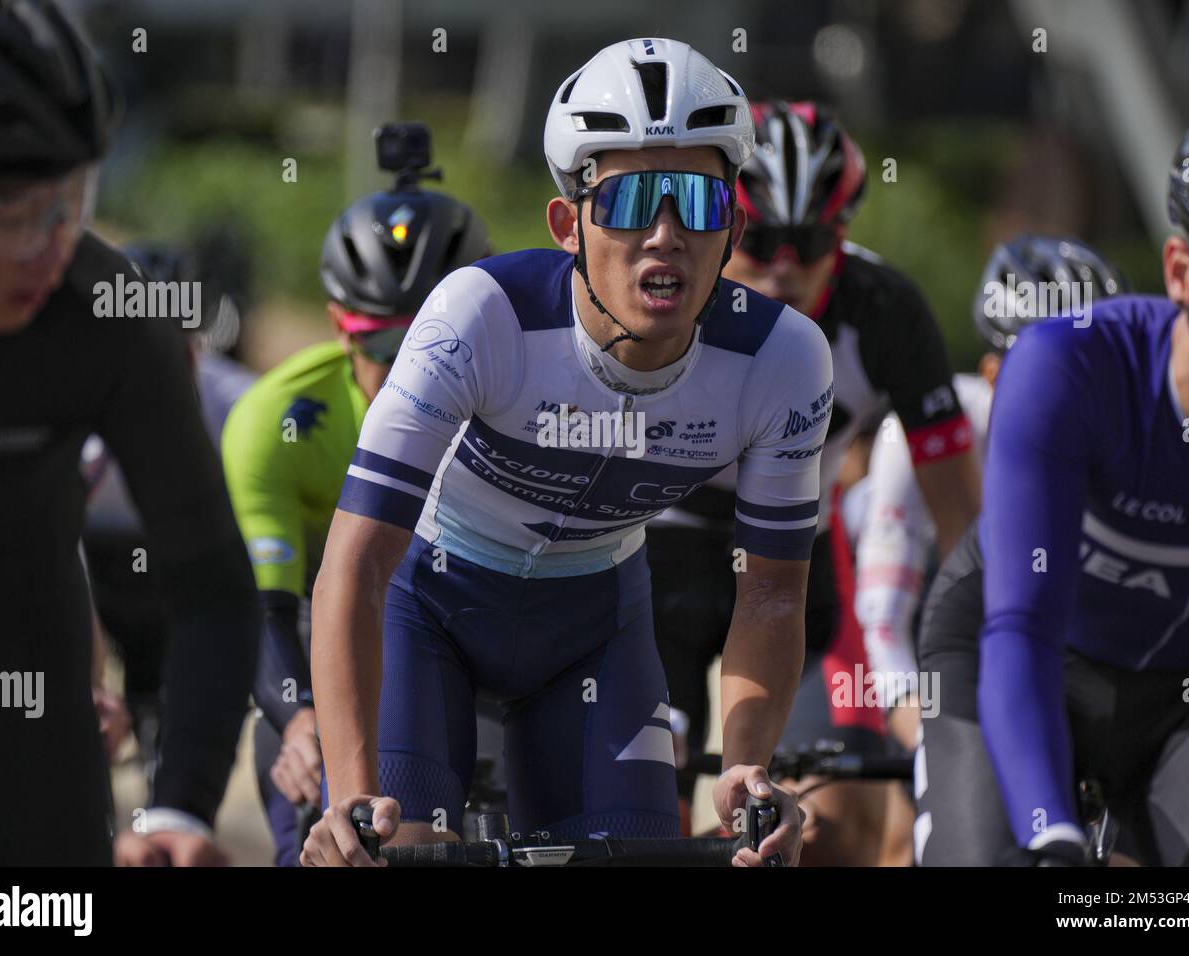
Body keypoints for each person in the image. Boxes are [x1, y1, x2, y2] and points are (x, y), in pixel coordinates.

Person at [301, 37, 831, 866]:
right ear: (567, 224)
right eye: (627, 201)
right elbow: (356, 566)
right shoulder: (481, 318)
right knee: (395, 851)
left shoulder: (783, 361)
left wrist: (747, 767)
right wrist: (350, 795)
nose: (664, 236)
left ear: (731, 222)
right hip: (429, 607)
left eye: (694, 201)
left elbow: (767, 598)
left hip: (597, 625)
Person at [0, 0, 259, 866]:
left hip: (27, 738)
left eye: (71, 200)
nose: (49, 245)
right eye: (10, 211)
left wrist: (182, 807)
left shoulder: (102, 310)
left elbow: (211, 582)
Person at [647, 100, 979, 865]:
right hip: (659, 564)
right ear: (724, 228)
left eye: (811, 241)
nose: (786, 266)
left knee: (826, 831)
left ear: (845, 232)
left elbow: (963, 523)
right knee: (645, 821)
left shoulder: (886, 310)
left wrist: (980, 662)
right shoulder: (658, 291)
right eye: (761, 241)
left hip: (796, 569)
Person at [915, 98, 1189, 867]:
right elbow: (1021, 630)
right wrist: (1052, 836)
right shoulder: (1071, 369)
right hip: (1022, 653)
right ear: (1181, 275)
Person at [220, 162, 490, 866]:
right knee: (303, 763)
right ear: (341, 328)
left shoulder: (523, 402)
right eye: (382, 347)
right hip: (341, 625)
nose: (409, 369)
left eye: (433, 342)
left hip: (484, 618)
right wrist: (298, 716)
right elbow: (264, 610)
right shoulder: (274, 421)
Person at [856, 235, 1129, 753]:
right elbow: (884, 624)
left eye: (1094, 370)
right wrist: (929, 740)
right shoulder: (922, 431)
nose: (1074, 396)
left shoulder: (1134, 435)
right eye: (1050, 371)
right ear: (992, 374)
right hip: (906, 652)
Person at [80, 241, 259, 799]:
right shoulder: (78, 397)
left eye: (171, 344)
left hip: (181, 560)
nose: (152, 368)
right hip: (96, 563)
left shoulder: (235, 398)